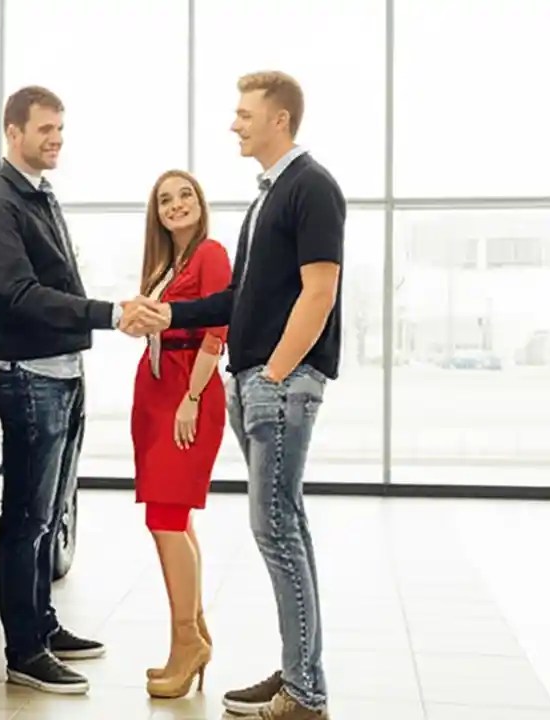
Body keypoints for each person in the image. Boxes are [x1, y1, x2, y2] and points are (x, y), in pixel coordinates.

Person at [124, 70, 344, 720]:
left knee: (276, 531)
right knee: (284, 531)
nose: (235, 123)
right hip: (256, 383)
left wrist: (273, 373)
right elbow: (236, 300)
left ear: (279, 118)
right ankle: (298, 674)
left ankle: (305, 693)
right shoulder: (267, 198)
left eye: (245, 113)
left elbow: (320, 291)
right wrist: (172, 318)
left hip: (279, 382)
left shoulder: (312, 187)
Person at [0, 84, 123, 695]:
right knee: (27, 520)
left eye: (60, 129)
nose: (55, 139)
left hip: (63, 375)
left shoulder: (39, 196)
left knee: (50, 513)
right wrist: (108, 313)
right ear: (13, 132)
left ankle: (45, 626)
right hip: (31, 382)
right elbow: (20, 295)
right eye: (44, 130)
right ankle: (24, 651)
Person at [129, 170, 230, 700]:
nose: (176, 205)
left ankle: (186, 642)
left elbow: (218, 329)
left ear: (199, 201)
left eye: (184, 195)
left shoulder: (211, 254)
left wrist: (191, 398)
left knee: (166, 517)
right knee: (170, 516)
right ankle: (193, 631)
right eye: (165, 200)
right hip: (156, 389)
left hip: (188, 391)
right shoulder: (167, 265)